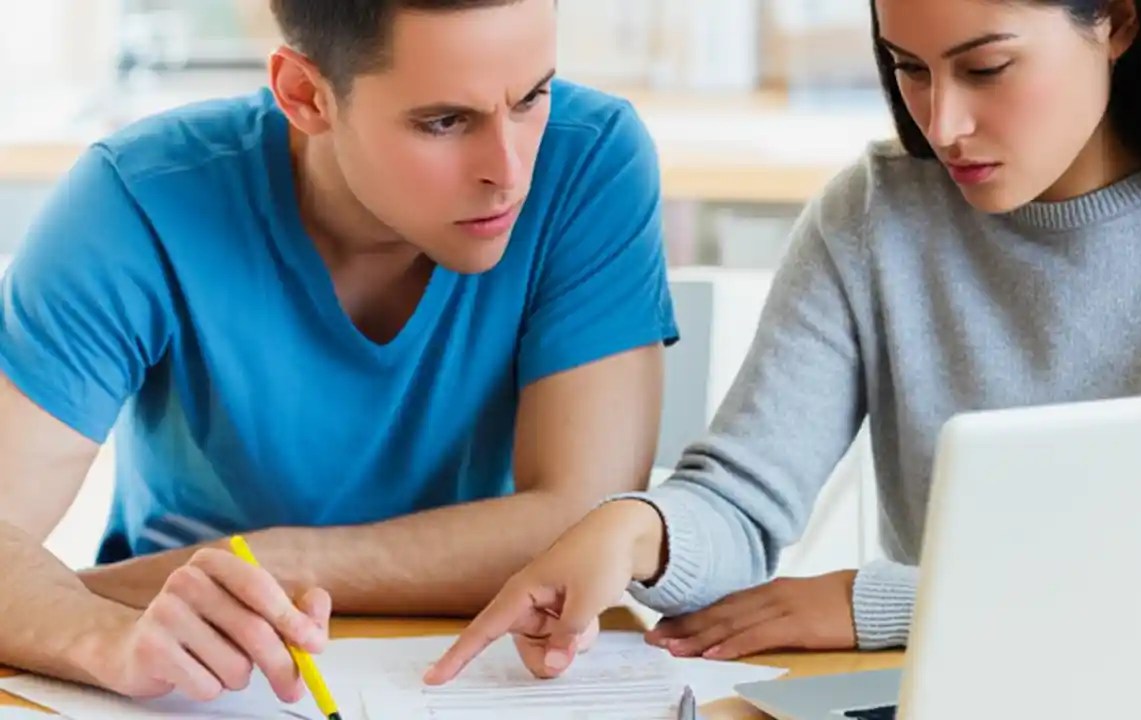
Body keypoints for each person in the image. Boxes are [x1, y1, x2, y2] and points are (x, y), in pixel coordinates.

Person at [424, 0, 1141, 684]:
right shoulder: (877, 216)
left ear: (1119, 22)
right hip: (957, 694)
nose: (943, 123)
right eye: (908, 68)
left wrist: (886, 603)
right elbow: (740, 495)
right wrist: (633, 530)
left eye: (986, 68)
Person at [0, 0, 678, 704]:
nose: (507, 172)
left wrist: (270, 561)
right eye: (444, 121)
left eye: (534, 95)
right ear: (304, 94)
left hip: (503, 678)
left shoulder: (590, 155)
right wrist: (102, 633)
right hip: (188, 678)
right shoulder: (138, 198)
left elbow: (589, 524)